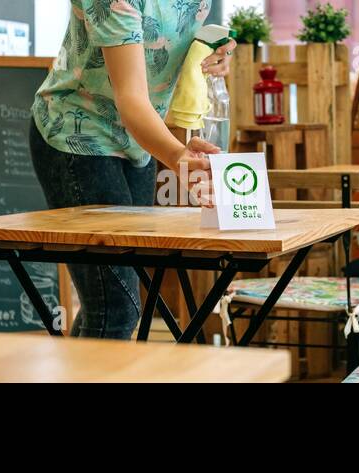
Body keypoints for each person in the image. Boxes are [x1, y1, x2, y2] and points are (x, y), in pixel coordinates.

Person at [29, 0, 236, 339]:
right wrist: (178, 156)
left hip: (140, 142)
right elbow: (131, 99)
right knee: (117, 306)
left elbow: (174, 41)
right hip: (78, 135)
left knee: (110, 305)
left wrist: (213, 50)